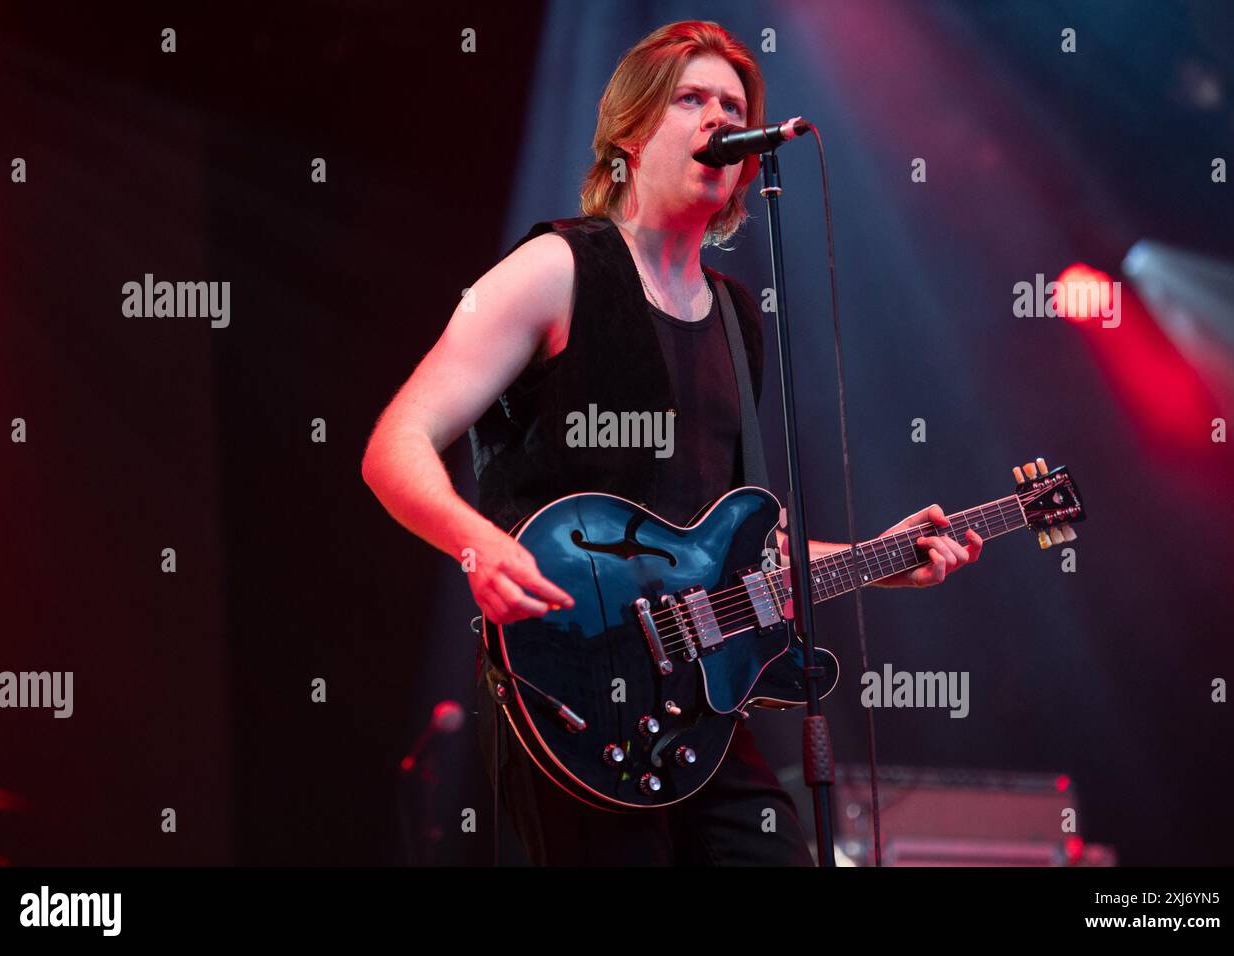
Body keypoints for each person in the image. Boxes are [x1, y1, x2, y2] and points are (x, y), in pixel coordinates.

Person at [361, 20, 982, 866]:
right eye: (691, 100)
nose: (718, 120)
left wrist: (880, 556)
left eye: (733, 106)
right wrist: (476, 545)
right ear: (630, 132)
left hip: (701, 711)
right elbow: (396, 440)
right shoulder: (556, 268)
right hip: (572, 691)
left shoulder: (736, 320)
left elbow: (724, 555)